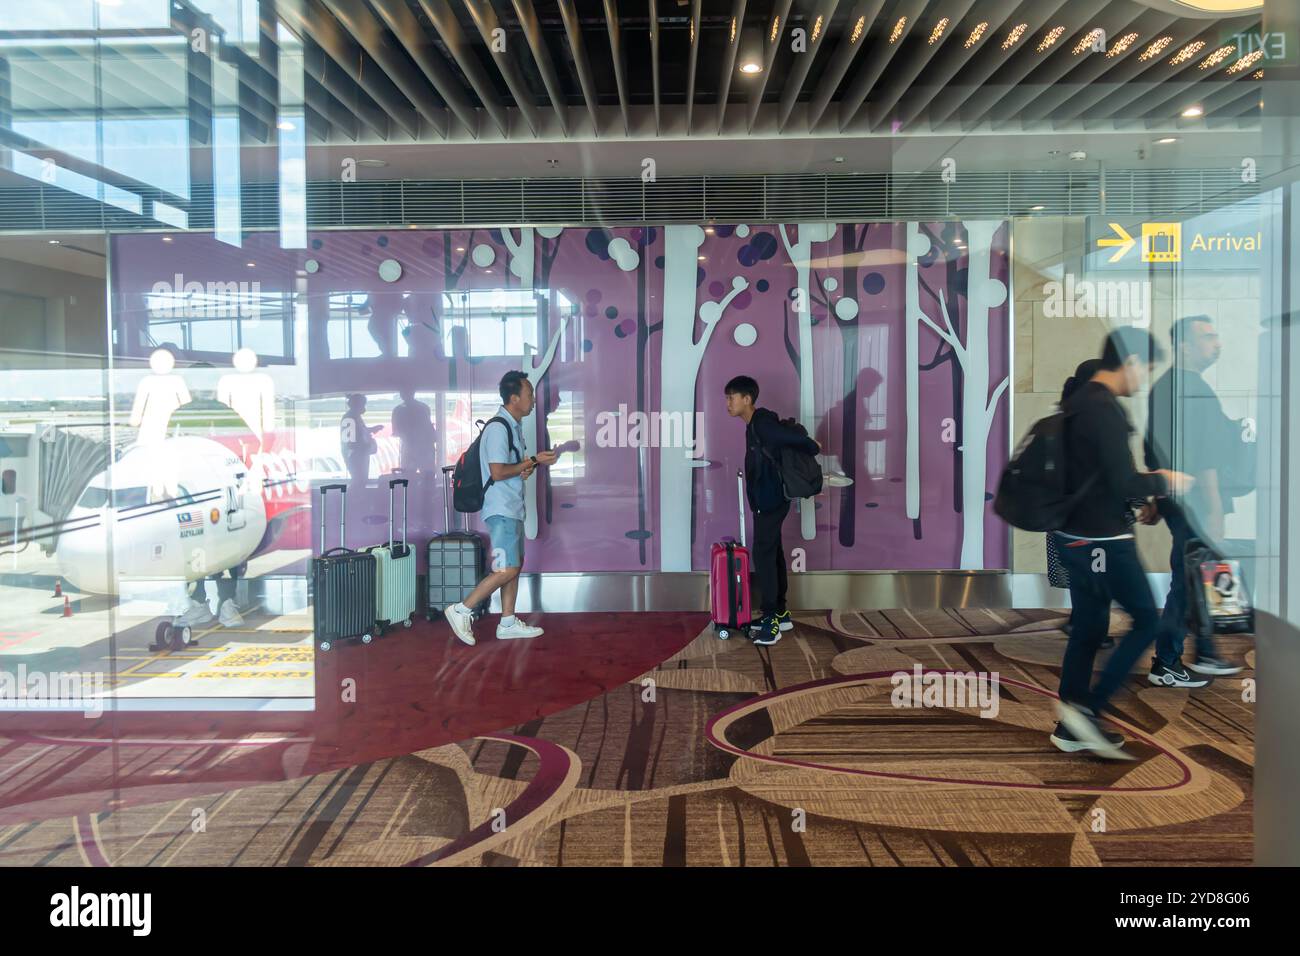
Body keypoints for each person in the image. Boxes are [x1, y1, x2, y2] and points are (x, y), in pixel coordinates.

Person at [1050, 328, 1193, 760]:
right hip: (1103, 541)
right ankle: (1086, 714)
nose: (1144, 380)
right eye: (1146, 369)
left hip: (1073, 534)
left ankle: (1070, 723)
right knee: (1147, 621)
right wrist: (1165, 480)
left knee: (1089, 629)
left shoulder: (1077, 403)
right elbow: (1122, 480)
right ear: (1130, 363)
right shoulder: (1102, 409)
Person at [1144, 315, 1244, 683]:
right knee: (1188, 581)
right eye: (1207, 337)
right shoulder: (1193, 390)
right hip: (1199, 504)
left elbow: (1153, 449)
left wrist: (1158, 498)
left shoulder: (1164, 387)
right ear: (1183, 346)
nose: (1216, 343)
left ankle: (1204, 651)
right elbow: (1205, 458)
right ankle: (1167, 662)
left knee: (1198, 577)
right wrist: (1215, 510)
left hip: (1178, 500)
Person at [443, 371, 557, 645]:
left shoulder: (513, 427)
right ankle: (461, 610)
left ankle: (507, 622)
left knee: (513, 566)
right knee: (505, 569)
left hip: (512, 507)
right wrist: (531, 460)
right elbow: (496, 472)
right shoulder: (498, 428)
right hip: (501, 509)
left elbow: (509, 469)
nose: (533, 400)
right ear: (514, 398)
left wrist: (526, 467)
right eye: (529, 394)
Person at [724, 375, 820, 647]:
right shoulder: (755, 425)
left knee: (764, 555)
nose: (728, 403)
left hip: (771, 499)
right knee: (772, 550)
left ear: (747, 399)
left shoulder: (762, 423)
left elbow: (792, 438)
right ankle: (781, 613)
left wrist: (813, 447)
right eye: (727, 398)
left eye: (732, 397)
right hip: (767, 499)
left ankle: (770, 620)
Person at [392, 388, 438, 476]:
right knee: (428, 476)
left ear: (401, 395)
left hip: (410, 447)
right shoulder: (423, 407)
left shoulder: (398, 410)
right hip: (425, 447)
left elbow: (396, 432)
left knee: (408, 477)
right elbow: (429, 427)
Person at [340, 394, 381, 490]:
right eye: (362, 404)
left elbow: (359, 432)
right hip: (356, 456)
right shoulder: (350, 418)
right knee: (358, 481)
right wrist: (364, 447)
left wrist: (371, 429)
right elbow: (350, 441)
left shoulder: (354, 417)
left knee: (361, 481)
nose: (364, 407)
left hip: (359, 454)